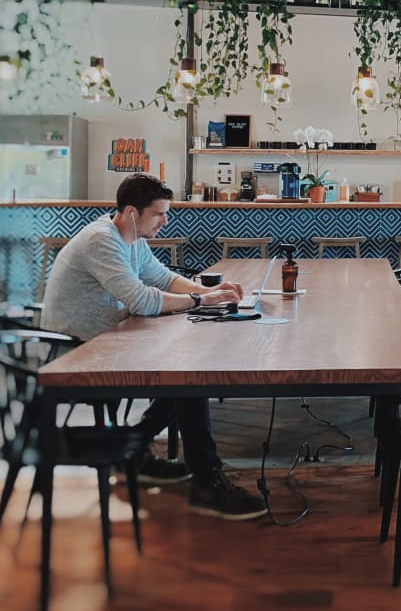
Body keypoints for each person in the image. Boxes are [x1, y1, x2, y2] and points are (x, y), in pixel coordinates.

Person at [42, 173, 266, 521]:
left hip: (109, 338)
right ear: (132, 211)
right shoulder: (103, 240)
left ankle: (135, 450)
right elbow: (143, 301)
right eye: (159, 214)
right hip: (79, 351)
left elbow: (162, 278)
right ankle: (206, 481)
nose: (165, 221)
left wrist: (209, 294)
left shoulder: (130, 235)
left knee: (190, 370)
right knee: (190, 375)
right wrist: (199, 301)